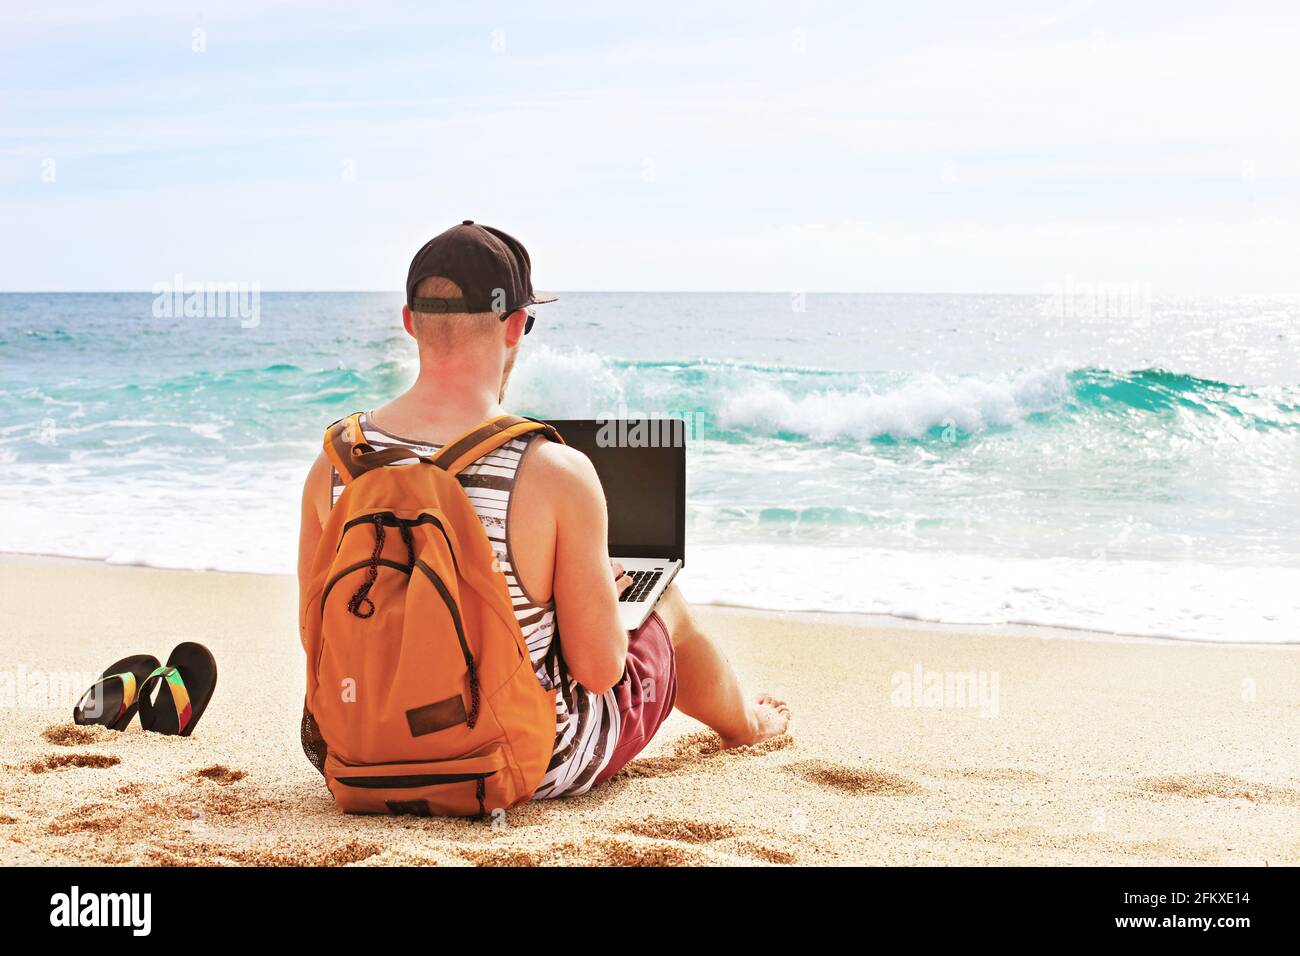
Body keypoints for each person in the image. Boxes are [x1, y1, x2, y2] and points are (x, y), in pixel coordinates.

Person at [297, 221, 790, 797]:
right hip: (516, 761)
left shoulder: (335, 462)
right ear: (515, 325)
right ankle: (747, 726)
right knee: (665, 607)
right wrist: (591, 592)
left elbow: (316, 636)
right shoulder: (553, 469)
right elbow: (599, 670)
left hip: (357, 752)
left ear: (410, 322)